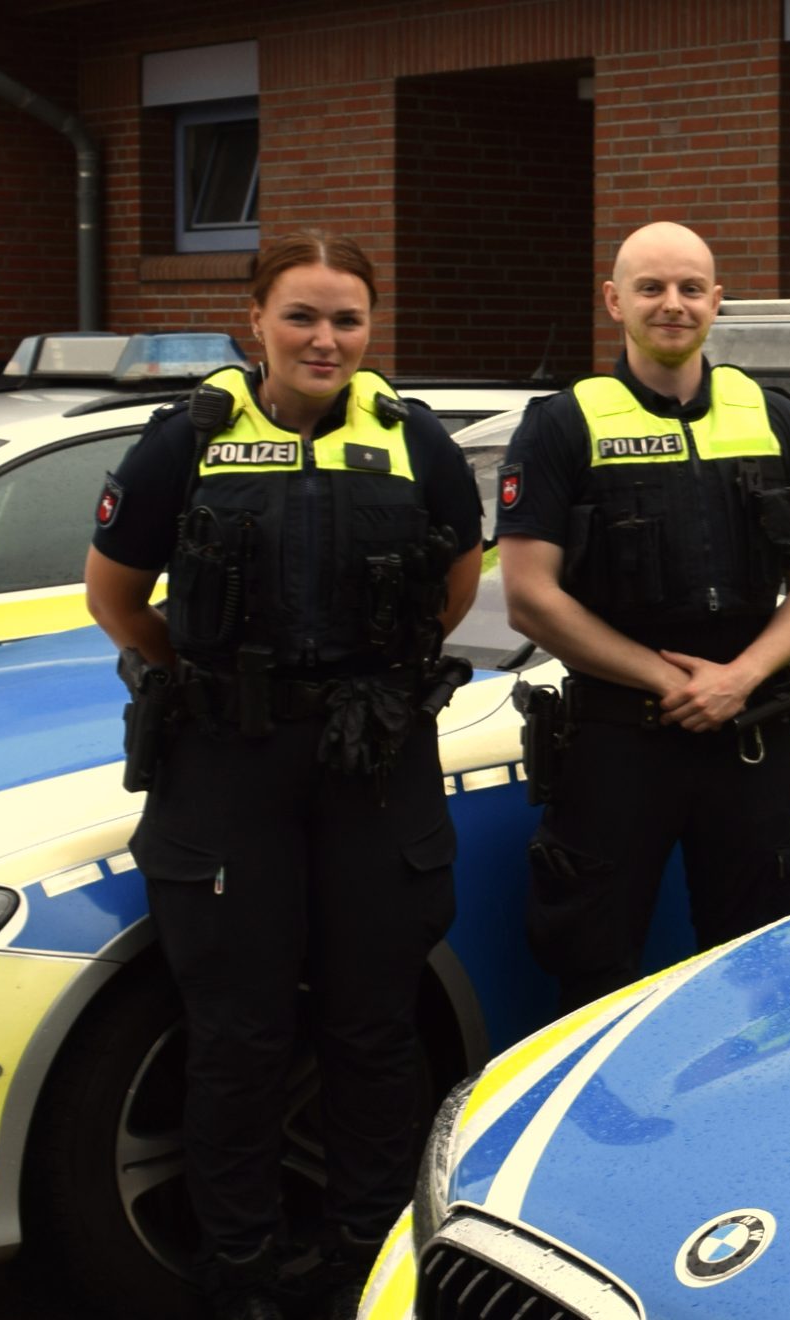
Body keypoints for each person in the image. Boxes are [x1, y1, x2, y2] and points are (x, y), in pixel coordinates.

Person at [84, 231, 482, 1320]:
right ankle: (243, 1269)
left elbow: (454, 588)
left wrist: (362, 686)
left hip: (373, 762)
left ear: (371, 327)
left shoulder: (415, 441)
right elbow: (116, 599)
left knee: (373, 1025)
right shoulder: (187, 440)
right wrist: (219, 685)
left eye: (346, 319)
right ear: (255, 320)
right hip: (228, 768)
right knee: (239, 1034)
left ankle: (366, 1255)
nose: (325, 339)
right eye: (301, 315)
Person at [498, 221, 790, 1013]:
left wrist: (739, 679)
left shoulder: (773, 417)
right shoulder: (563, 424)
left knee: (761, 963)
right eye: (650, 288)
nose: (673, 304)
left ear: (717, 300)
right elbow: (528, 595)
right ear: (614, 301)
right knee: (593, 962)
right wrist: (668, 680)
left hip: (750, 733)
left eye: (690, 288)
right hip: (618, 741)